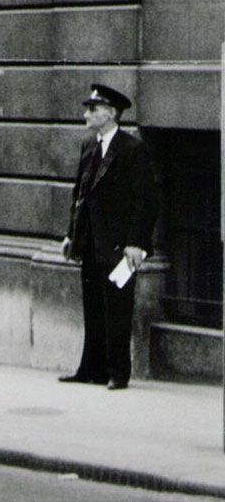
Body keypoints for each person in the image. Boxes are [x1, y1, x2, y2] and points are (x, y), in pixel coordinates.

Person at [59, 84, 158, 390]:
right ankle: (91, 369)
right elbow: (80, 194)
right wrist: (70, 235)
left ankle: (118, 372)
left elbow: (146, 200)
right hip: (90, 242)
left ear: (112, 113)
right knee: (92, 306)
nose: (86, 114)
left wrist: (135, 243)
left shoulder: (132, 149)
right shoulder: (89, 146)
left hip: (118, 246)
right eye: (87, 108)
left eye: (93, 109)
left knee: (117, 308)